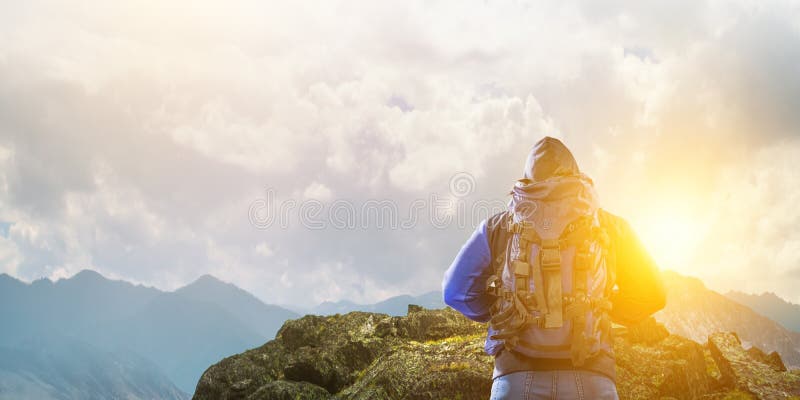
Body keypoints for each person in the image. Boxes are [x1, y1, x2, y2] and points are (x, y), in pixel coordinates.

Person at [442, 136, 666, 399]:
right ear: (577, 175)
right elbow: (653, 293)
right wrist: (603, 307)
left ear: (526, 179)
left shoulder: (497, 227)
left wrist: (502, 307)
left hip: (515, 378)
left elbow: (454, 291)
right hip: (592, 378)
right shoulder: (611, 226)